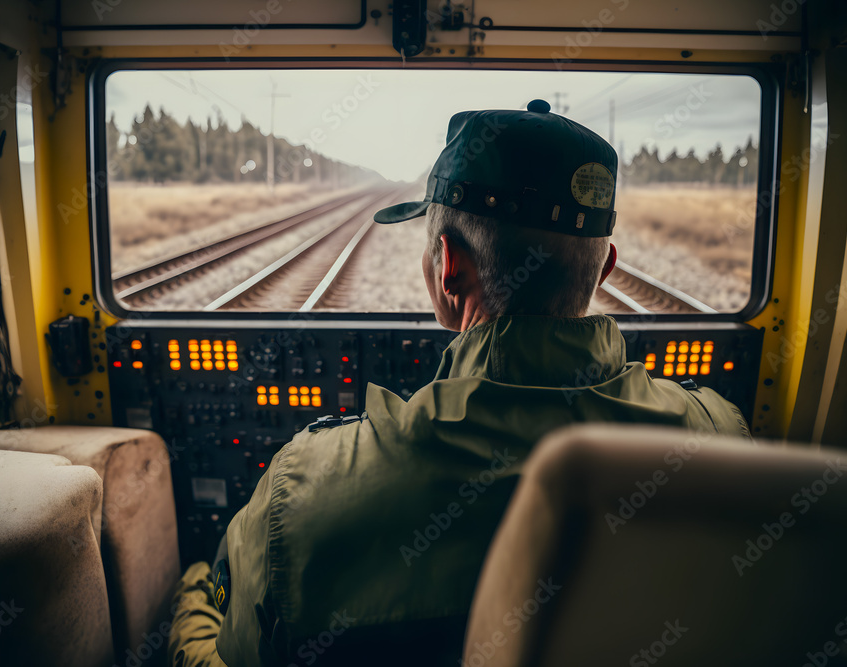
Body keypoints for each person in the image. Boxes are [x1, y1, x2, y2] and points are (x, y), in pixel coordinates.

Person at [168, 99, 751, 667]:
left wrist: (196, 590)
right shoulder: (721, 440)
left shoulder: (301, 493)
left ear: (449, 266)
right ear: (604, 267)